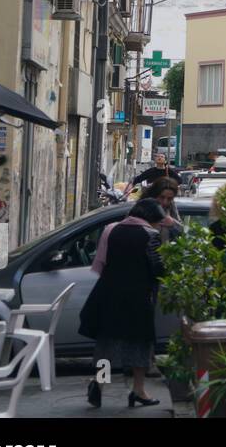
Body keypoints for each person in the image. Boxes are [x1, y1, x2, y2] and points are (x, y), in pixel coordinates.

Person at [79, 199, 164, 408]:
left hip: (108, 294)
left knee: (106, 344)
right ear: (151, 219)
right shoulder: (151, 236)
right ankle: (139, 390)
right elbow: (157, 269)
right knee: (140, 344)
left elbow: (101, 262)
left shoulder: (111, 229)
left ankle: (99, 384)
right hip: (138, 297)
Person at [138, 175, 184, 243]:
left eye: (169, 199)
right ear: (154, 194)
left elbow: (182, 232)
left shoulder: (171, 207)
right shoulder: (140, 209)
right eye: (162, 197)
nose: (165, 202)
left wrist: (173, 224)